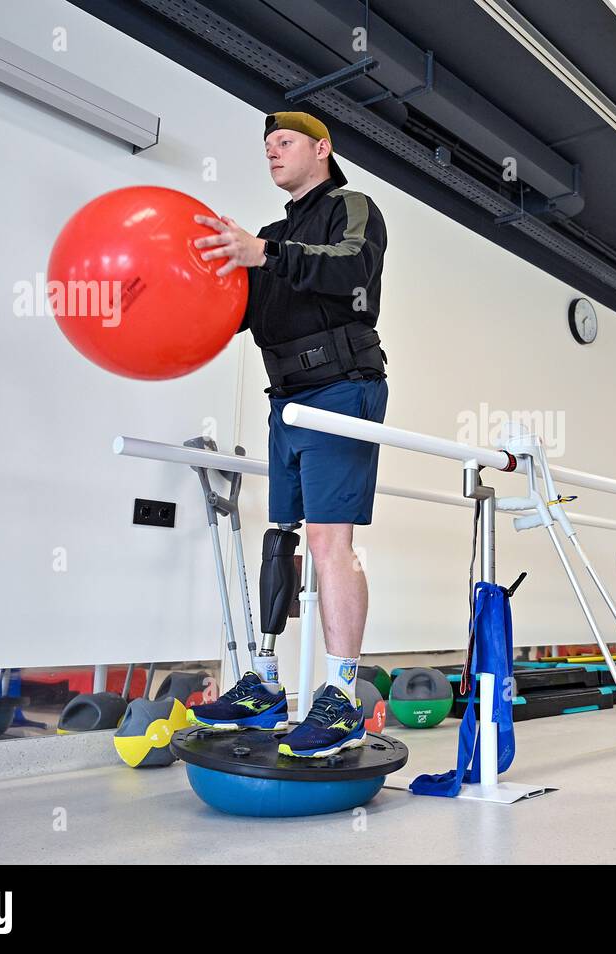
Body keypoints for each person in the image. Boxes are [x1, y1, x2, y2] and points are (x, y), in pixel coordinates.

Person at [186, 111, 390, 756]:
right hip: (287, 398)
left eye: (284, 142)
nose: (271, 153)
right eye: (266, 146)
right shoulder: (272, 232)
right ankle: (266, 683)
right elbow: (239, 312)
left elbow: (352, 267)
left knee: (332, 540)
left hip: (340, 388)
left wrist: (265, 254)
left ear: (321, 149)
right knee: (281, 533)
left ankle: (341, 693)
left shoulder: (351, 206)